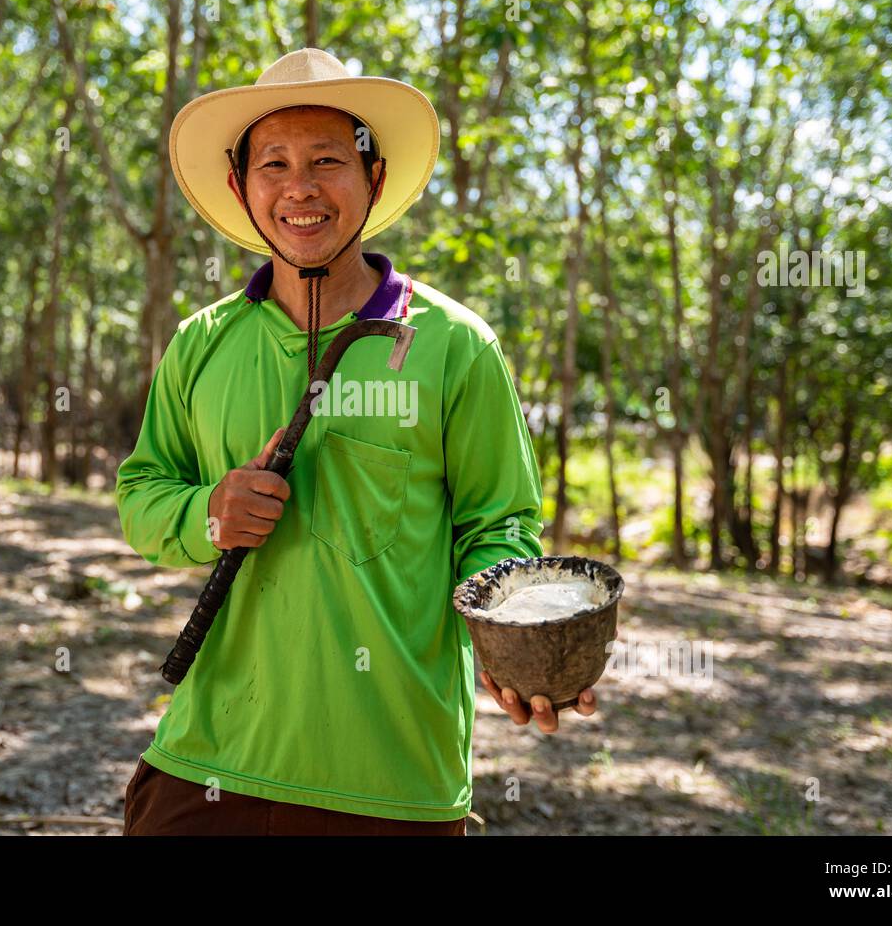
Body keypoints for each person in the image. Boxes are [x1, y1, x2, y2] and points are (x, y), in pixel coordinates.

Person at [117, 48, 598, 836]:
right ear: (240, 187)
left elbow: (497, 525)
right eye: (273, 162)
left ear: (373, 179)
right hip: (207, 765)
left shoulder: (454, 346)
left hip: (392, 782)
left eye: (328, 160)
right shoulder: (200, 345)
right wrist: (210, 511)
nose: (299, 187)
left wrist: (521, 633)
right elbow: (141, 493)